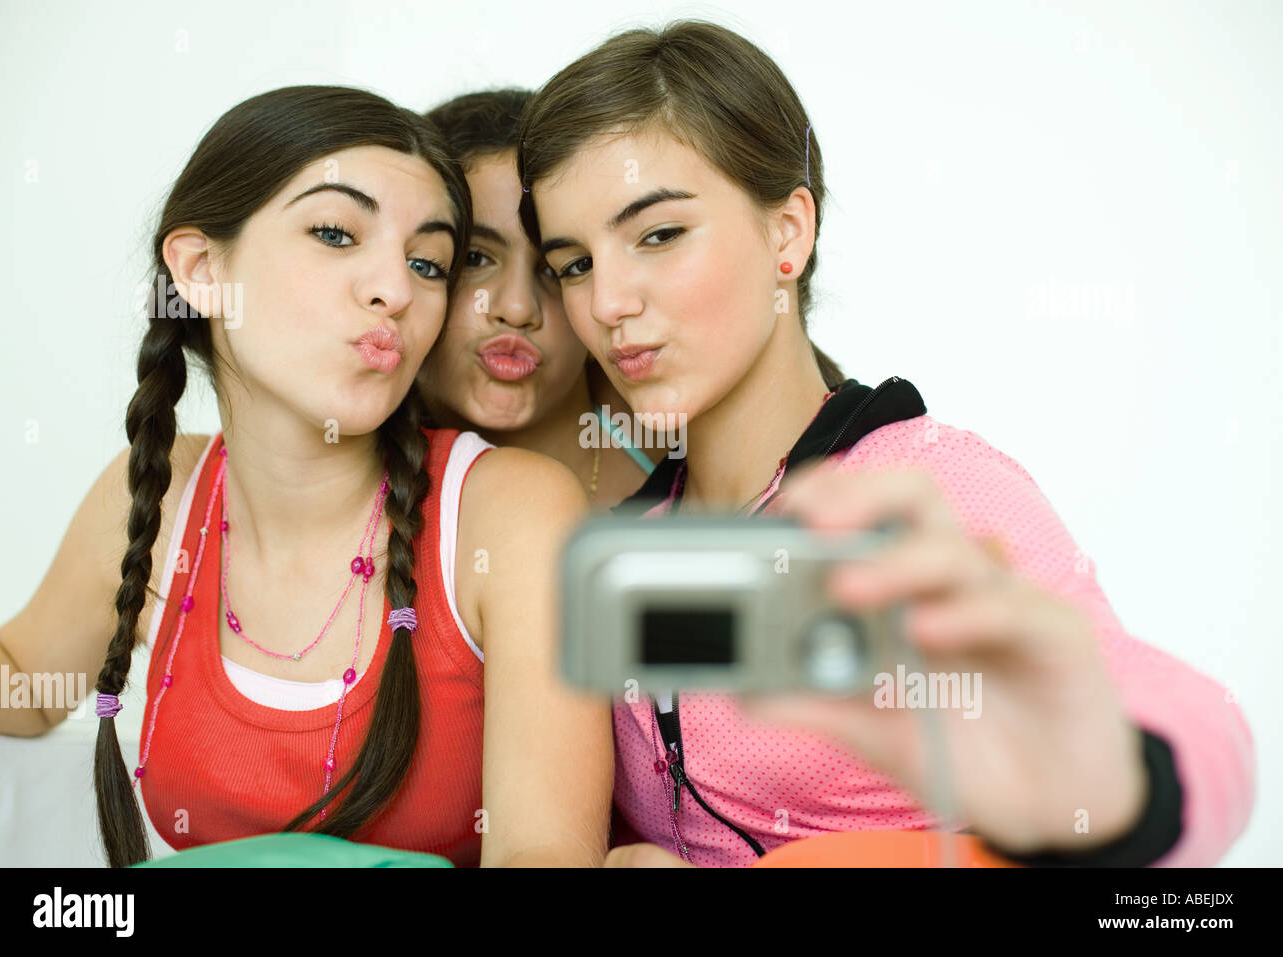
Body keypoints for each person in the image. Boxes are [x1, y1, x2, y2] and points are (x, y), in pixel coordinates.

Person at [515, 19, 1256, 867]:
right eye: (574, 263)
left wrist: (1117, 786)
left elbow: (1192, 724)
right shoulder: (624, 541)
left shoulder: (928, 485)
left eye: (658, 234)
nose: (607, 300)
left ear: (789, 231)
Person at [0, 86, 612, 868]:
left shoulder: (512, 513)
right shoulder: (160, 494)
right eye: (336, 233)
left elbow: (546, 855)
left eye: (428, 263)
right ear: (201, 267)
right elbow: (23, 682)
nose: (395, 289)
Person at [414, 90, 667, 508]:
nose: (516, 309)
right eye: (476, 258)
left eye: (558, 269)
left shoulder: (678, 442)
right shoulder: (346, 475)